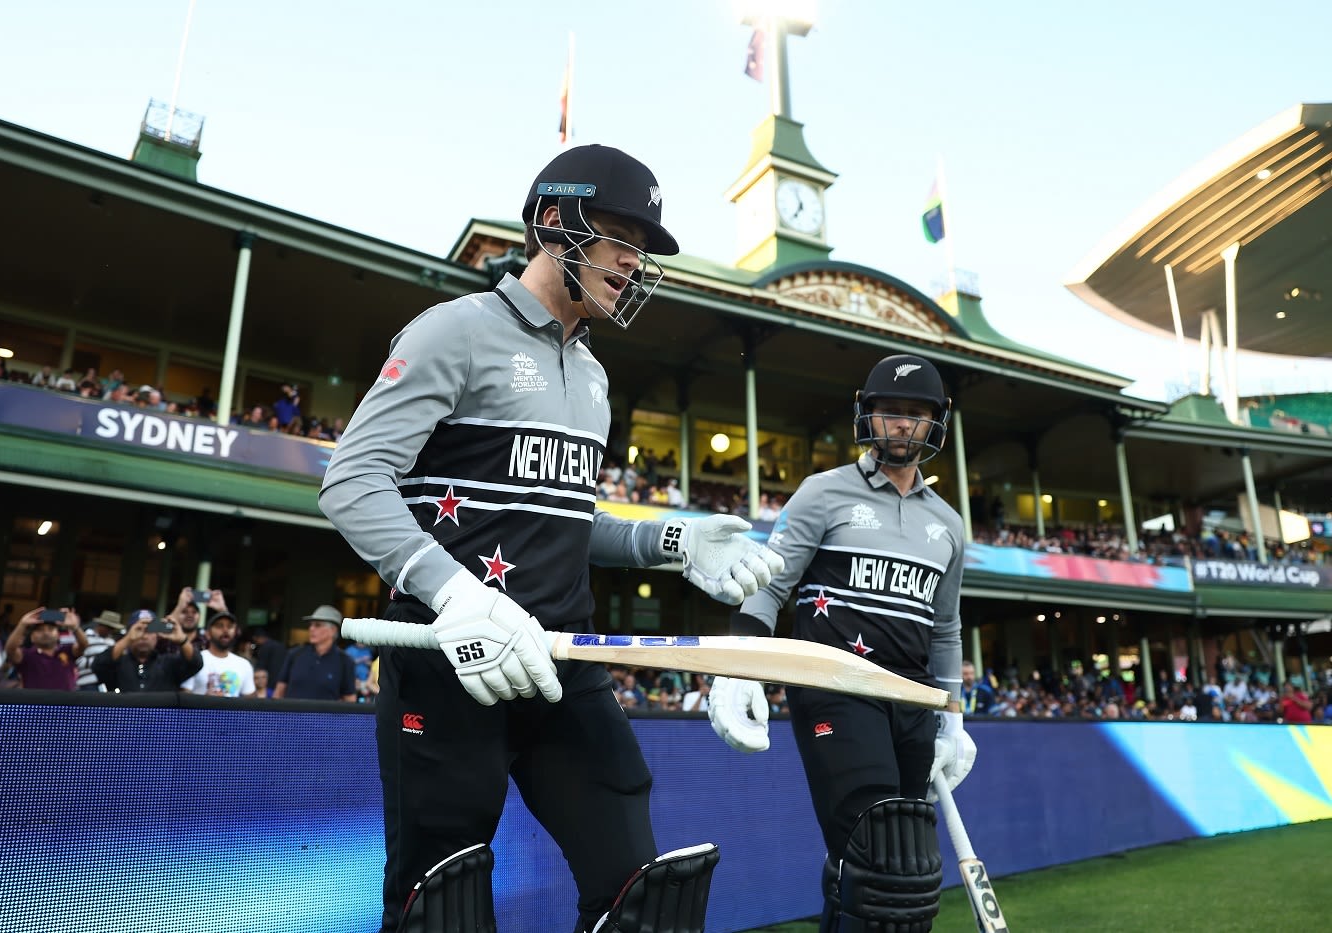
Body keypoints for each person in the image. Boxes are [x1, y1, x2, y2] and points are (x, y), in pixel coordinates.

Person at [318, 143, 785, 933]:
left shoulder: (596, 376)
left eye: (642, 249)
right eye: (619, 239)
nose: (632, 264)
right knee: (442, 907)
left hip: (564, 660)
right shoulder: (453, 330)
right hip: (451, 659)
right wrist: (457, 595)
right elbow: (351, 481)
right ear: (552, 223)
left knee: (644, 898)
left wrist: (672, 540)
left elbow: (571, 518)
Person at [705, 354, 972, 932]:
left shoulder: (948, 524)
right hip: (834, 686)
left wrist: (952, 717)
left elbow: (945, 627)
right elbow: (769, 583)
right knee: (877, 849)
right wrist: (739, 668)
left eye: (916, 415)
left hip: (915, 700)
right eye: (889, 412)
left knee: (901, 865)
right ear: (866, 416)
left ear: (935, 423)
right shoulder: (823, 493)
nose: (901, 425)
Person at [91, 609, 202, 692]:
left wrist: (182, 640)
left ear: (157, 635)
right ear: (129, 632)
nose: (144, 636)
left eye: (149, 630)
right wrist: (127, 639)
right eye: (138, 630)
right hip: (123, 719)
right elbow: (99, 664)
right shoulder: (118, 662)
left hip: (159, 721)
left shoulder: (168, 663)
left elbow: (195, 663)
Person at [273, 605, 356, 702]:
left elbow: (349, 699)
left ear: (333, 630)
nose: (311, 629)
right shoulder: (295, 654)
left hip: (325, 717)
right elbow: (278, 692)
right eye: (310, 625)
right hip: (292, 716)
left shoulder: (345, 661)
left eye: (317, 625)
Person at [5, 607, 87, 690]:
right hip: (34, 701)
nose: (46, 633)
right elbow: (10, 649)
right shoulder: (26, 655)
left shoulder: (67, 651)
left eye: (51, 629)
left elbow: (83, 645)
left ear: (58, 635)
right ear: (32, 637)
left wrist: (75, 627)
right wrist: (22, 624)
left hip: (64, 702)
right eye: (40, 630)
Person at [181, 611, 256, 697]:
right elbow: (184, 696)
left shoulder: (244, 665)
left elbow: (251, 702)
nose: (225, 630)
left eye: (230, 626)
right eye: (219, 626)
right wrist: (204, 700)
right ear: (208, 634)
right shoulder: (195, 660)